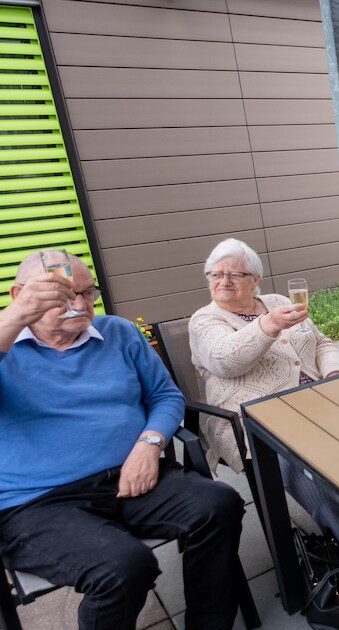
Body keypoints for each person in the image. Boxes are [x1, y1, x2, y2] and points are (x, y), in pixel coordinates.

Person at [0, 250, 245, 629]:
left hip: (134, 477)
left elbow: (165, 396)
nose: (79, 305)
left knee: (219, 504)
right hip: (38, 503)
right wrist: (14, 320)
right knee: (124, 566)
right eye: (63, 296)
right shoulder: (6, 347)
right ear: (19, 296)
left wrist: (149, 443)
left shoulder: (117, 332)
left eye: (87, 293)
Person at [189, 238, 339, 584]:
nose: (223, 281)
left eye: (235, 274)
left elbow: (322, 342)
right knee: (297, 460)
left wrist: (335, 372)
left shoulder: (278, 302)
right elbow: (224, 360)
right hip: (254, 419)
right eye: (215, 274)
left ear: (256, 279)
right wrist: (267, 327)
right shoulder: (204, 321)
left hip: (318, 398)